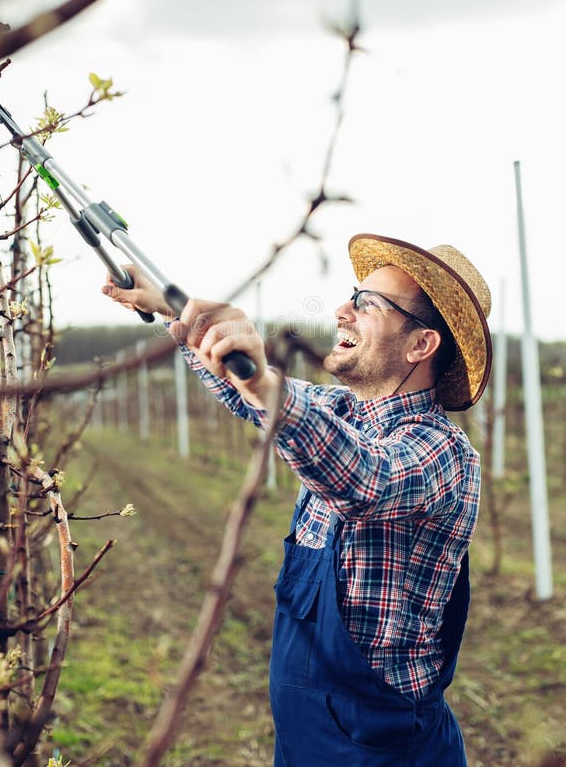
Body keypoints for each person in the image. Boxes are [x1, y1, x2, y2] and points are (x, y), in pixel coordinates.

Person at [101, 233, 492, 767]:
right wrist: (173, 307)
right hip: (306, 734)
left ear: (420, 345)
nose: (342, 311)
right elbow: (248, 390)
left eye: (367, 304)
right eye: (353, 294)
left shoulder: (443, 452)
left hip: (383, 744)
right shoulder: (344, 411)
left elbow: (364, 480)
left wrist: (263, 382)